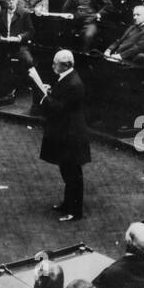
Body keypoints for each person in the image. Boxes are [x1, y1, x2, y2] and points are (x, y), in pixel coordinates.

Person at [34, 50, 90, 222]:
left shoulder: (73, 83)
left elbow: (59, 107)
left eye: (55, 63)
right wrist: (50, 91)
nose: (53, 66)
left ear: (65, 65)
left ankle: (75, 211)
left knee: (72, 174)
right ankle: (68, 204)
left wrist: (44, 96)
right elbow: (61, 97)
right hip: (67, 132)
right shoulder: (68, 77)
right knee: (67, 171)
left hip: (71, 135)